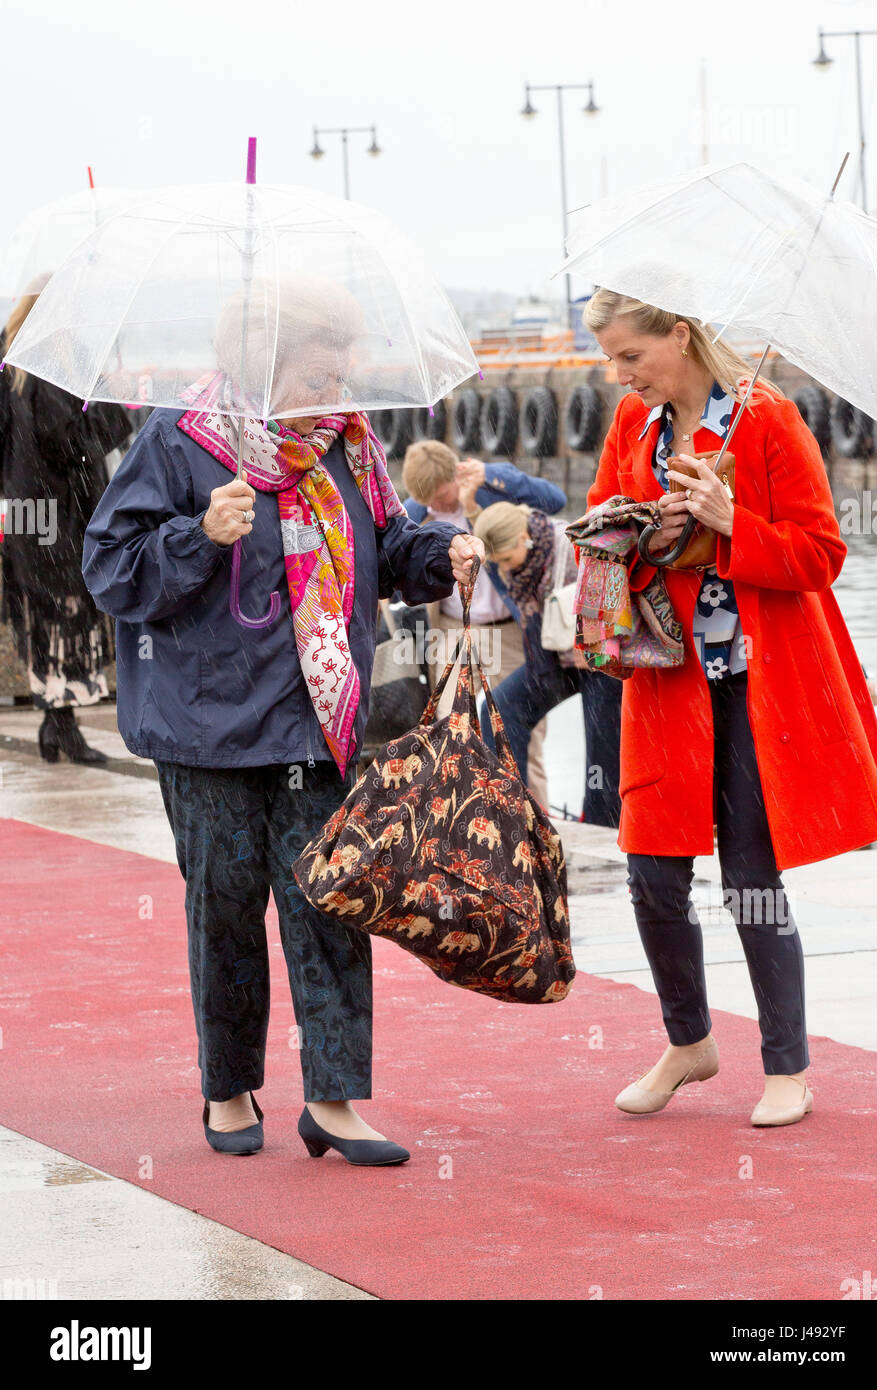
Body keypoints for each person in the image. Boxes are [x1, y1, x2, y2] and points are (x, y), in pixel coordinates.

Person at [83, 277, 484, 1165]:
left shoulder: (347, 444)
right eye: (314, 376)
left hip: (317, 722)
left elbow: (391, 540)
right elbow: (111, 571)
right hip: (207, 729)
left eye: (339, 373)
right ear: (255, 365)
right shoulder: (178, 441)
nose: (332, 393)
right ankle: (228, 1089)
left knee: (330, 903)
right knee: (225, 908)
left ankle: (333, 1100)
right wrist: (199, 534)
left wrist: (440, 550)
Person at [583, 288, 877, 1126]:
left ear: (677, 337)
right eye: (611, 360)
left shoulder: (767, 418)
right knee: (651, 873)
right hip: (664, 679)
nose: (619, 376)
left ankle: (786, 1066)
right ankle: (689, 1043)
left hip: (756, 687)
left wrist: (728, 522)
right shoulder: (631, 425)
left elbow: (820, 555)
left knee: (751, 880)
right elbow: (606, 523)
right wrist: (636, 523)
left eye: (630, 357)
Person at [0, 282, 132, 762]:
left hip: (28, 513)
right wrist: (109, 405)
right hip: (63, 514)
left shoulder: (11, 361)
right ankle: (63, 724)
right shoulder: (56, 366)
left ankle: (57, 723)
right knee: (70, 611)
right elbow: (69, 441)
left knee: (44, 613)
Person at [402, 438, 567, 809]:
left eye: (445, 498)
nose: (441, 507)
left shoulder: (492, 485)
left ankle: (532, 822)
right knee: (451, 731)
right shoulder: (413, 512)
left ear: (456, 474)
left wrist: (491, 477)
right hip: (451, 631)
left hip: (509, 629)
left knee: (520, 730)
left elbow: (555, 500)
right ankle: (466, 820)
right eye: (433, 504)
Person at [473, 500, 622, 827]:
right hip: (553, 656)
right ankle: (510, 809)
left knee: (601, 753)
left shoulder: (569, 545)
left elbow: (605, 588)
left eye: (506, 561)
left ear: (523, 537)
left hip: (596, 656)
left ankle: (603, 826)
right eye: (496, 565)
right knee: (499, 709)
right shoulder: (516, 560)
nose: (503, 571)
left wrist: (593, 644)